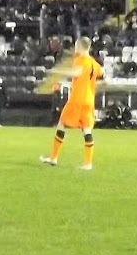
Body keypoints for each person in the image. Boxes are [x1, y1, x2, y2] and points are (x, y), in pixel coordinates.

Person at [42, 36, 102, 170]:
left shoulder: (81, 60)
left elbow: (77, 72)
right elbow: (103, 77)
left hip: (77, 99)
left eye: (76, 46)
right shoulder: (94, 63)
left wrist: (57, 71)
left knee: (61, 124)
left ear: (80, 46)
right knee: (86, 130)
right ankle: (88, 163)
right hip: (89, 101)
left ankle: (53, 157)